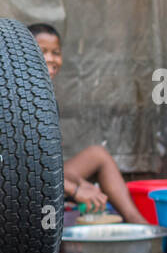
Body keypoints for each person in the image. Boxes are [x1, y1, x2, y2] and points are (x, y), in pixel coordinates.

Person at [28, 23, 149, 224]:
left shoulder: (44, 95)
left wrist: (78, 183)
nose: (50, 58)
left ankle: (141, 226)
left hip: (42, 173)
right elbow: (28, 165)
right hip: (18, 180)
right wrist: (74, 189)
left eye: (55, 52)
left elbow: (46, 162)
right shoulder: (13, 96)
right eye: (42, 51)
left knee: (97, 155)